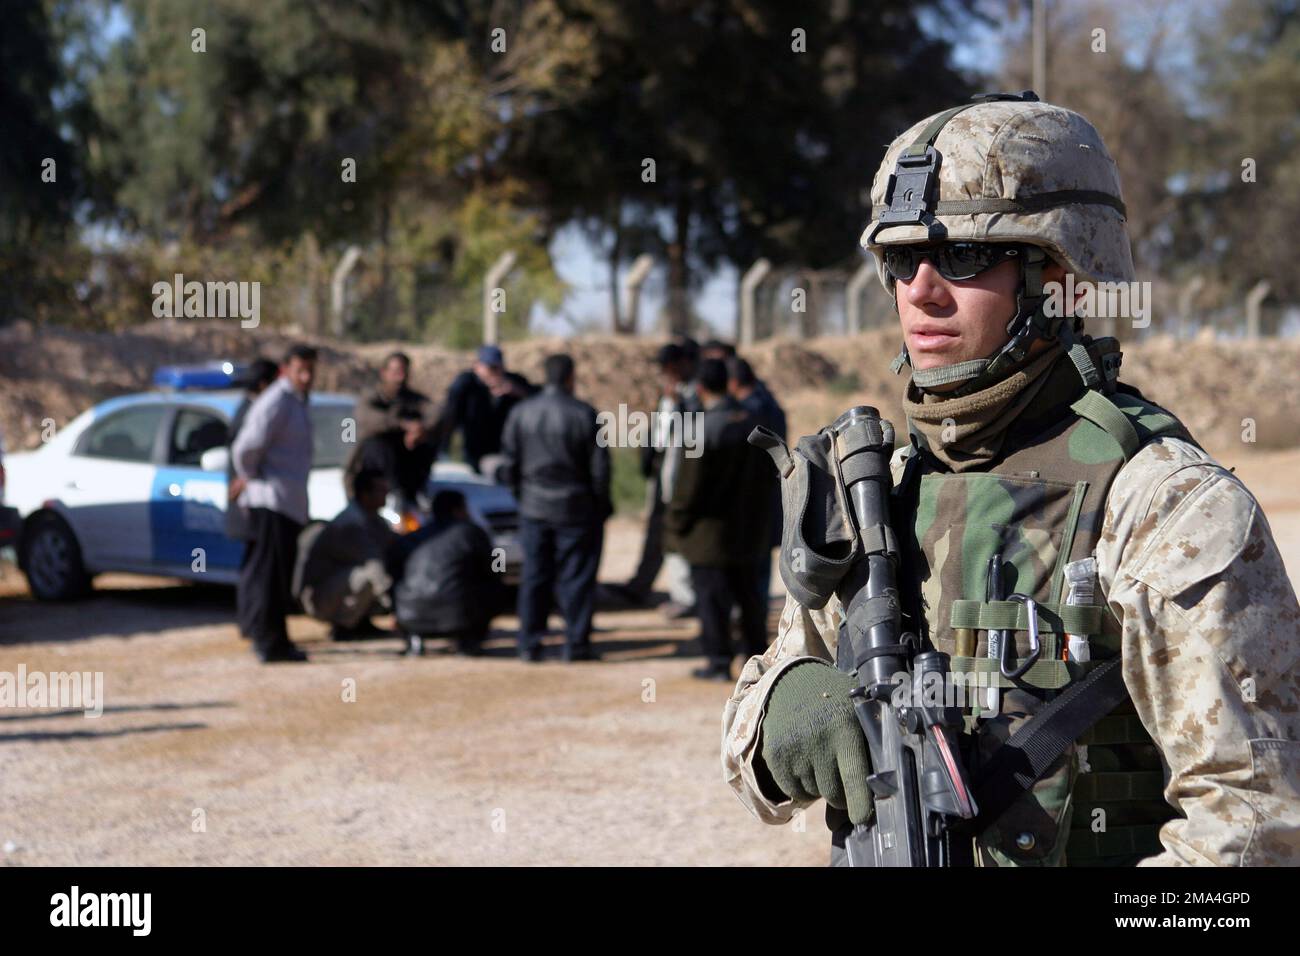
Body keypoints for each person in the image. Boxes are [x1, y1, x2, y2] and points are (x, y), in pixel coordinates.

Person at [721, 92, 1300, 866]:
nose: (919, 290)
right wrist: (779, 709)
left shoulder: (1164, 506)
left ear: (1059, 274)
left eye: (963, 256)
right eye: (900, 259)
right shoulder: (879, 489)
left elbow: (1257, 830)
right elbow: (757, 725)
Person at [664, 358, 773, 681]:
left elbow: (687, 488)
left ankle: (717, 661)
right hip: (749, 529)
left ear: (699, 388)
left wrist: (676, 523)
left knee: (712, 601)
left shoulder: (699, 430)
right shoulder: (754, 422)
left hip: (707, 533)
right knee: (750, 598)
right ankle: (757, 661)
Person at [498, 353, 611, 662]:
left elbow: (509, 465)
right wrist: (601, 506)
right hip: (576, 509)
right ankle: (576, 645)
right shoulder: (585, 414)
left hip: (534, 508)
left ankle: (529, 644)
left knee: (535, 576)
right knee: (576, 578)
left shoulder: (521, 413)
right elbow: (600, 470)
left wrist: (521, 497)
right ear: (570, 377)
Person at [231, 344, 318, 663]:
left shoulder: (297, 401)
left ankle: (274, 638)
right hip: (271, 500)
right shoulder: (277, 401)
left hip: (285, 501)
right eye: (300, 370)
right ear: (285, 370)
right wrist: (251, 476)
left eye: (310, 371)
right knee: (268, 576)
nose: (307, 377)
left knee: (275, 576)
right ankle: (269, 642)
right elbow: (246, 447)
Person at [608, 343, 698, 614]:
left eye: (669, 367)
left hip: (682, 477)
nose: (665, 373)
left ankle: (686, 596)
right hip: (663, 475)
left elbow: (690, 436)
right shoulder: (669, 396)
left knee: (676, 535)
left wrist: (677, 405)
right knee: (657, 531)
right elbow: (659, 438)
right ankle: (640, 585)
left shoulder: (694, 395)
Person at [292, 467, 397, 641]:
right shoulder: (350, 524)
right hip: (319, 598)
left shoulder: (373, 519)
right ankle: (344, 626)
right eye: (381, 490)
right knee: (370, 577)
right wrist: (397, 607)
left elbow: (393, 546)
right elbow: (373, 565)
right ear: (365, 494)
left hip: (337, 589)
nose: (386, 494)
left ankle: (360, 621)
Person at [390, 489, 499, 657]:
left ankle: (415, 639)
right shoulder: (471, 532)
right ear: (458, 510)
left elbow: (391, 567)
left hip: (410, 614)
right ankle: (469, 641)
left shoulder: (414, 536)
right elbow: (494, 566)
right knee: (492, 584)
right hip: (460, 616)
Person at [727, 355, 786, 612]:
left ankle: (748, 622)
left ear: (733, 382)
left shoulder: (746, 413)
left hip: (749, 500)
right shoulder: (772, 405)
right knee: (760, 569)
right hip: (769, 493)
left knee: (749, 572)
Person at [345, 351, 441, 508]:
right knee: (378, 444)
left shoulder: (412, 399)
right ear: (384, 373)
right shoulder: (372, 398)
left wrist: (420, 430)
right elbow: (367, 417)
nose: (400, 378)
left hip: (406, 473)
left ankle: (413, 491)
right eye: (396, 372)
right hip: (372, 477)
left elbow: (435, 412)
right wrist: (404, 425)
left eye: (404, 372)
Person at [441, 344, 535, 474]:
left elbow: (540, 401)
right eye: (491, 368)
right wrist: (444, 447)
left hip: (506, 452)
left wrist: (518, 392)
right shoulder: (466, 383)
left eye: (498, 368)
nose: (495, 372)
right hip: (474, 453)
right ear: (477, 366)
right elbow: (450, 413)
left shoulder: (514, 382)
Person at [226, 357, 280, 542]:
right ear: (264, 385)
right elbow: (244, 452)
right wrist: (246, 477)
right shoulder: (250, 414)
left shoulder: (261, 410)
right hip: (250, 505)